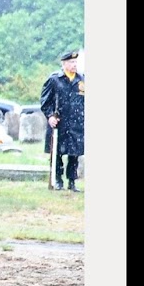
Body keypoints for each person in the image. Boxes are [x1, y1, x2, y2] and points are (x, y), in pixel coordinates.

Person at [40, 48, 86, 191]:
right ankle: (58, 180)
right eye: (71, 62)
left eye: (75, 62)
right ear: (64, 64)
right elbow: (45, 101)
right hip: (59, 122)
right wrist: (50, 116)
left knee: (74, 154)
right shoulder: (54, 79)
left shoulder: (81, 79)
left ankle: (72, 182)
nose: (74, 65)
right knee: (58, 152)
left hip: (76, 123)